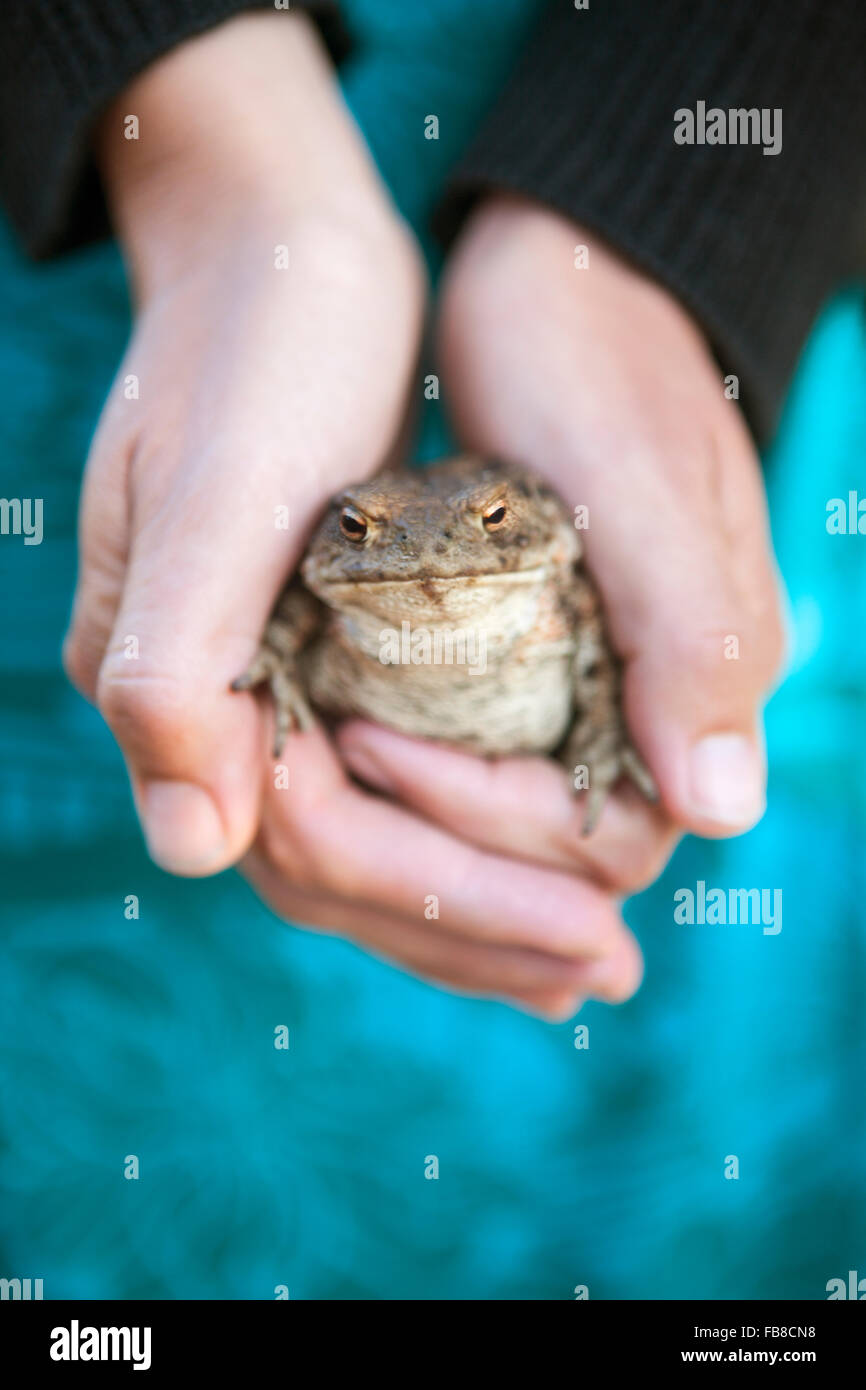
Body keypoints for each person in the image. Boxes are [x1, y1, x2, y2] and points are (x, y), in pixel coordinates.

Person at [1, 0, 862, 1017]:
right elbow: (299, 601)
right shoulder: (323, 596)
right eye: (365, 532)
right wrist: (210, 159)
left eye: (487, 528)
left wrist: (647, 243)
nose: (431, 558)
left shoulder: (561, 596)